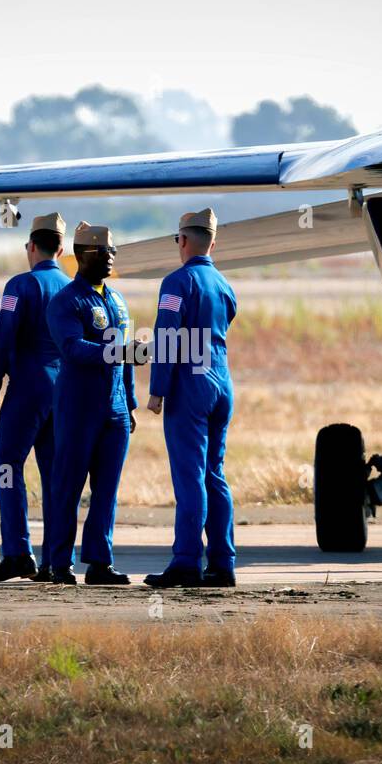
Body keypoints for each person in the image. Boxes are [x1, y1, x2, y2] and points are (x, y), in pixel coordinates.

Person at [144, 208, 238, 588]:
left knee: (190, 476)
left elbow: (167, 336)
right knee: (214, 473)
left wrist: (157, 389)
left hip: (190, 385)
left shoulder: (176, 282)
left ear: (183, 240)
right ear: (212, 243)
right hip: (221, 381)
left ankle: (185, 562)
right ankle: (222, 561)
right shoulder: (224, 285)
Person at [40, 222, 137, 585]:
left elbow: (124, 358)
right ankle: (58, 562)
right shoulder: (66, 302)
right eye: (102, 252)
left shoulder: (118, 301)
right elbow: (73, 349)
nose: (110, 257)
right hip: (78, 409)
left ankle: (99, 562)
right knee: (67, 486)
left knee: (107, 489)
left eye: (113, 251)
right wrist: (119, 352)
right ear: (81, 256)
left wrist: (130, 403)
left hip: (114, 412)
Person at [0, 213, 72, 583]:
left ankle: (17, 551)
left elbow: (3, 340)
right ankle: (53, 559)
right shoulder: (69, 287)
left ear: (30, 246)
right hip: (62, 392)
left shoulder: (19, 286)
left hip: (27, 390)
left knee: (7, 464)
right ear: (60, 249)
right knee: (53, 476)